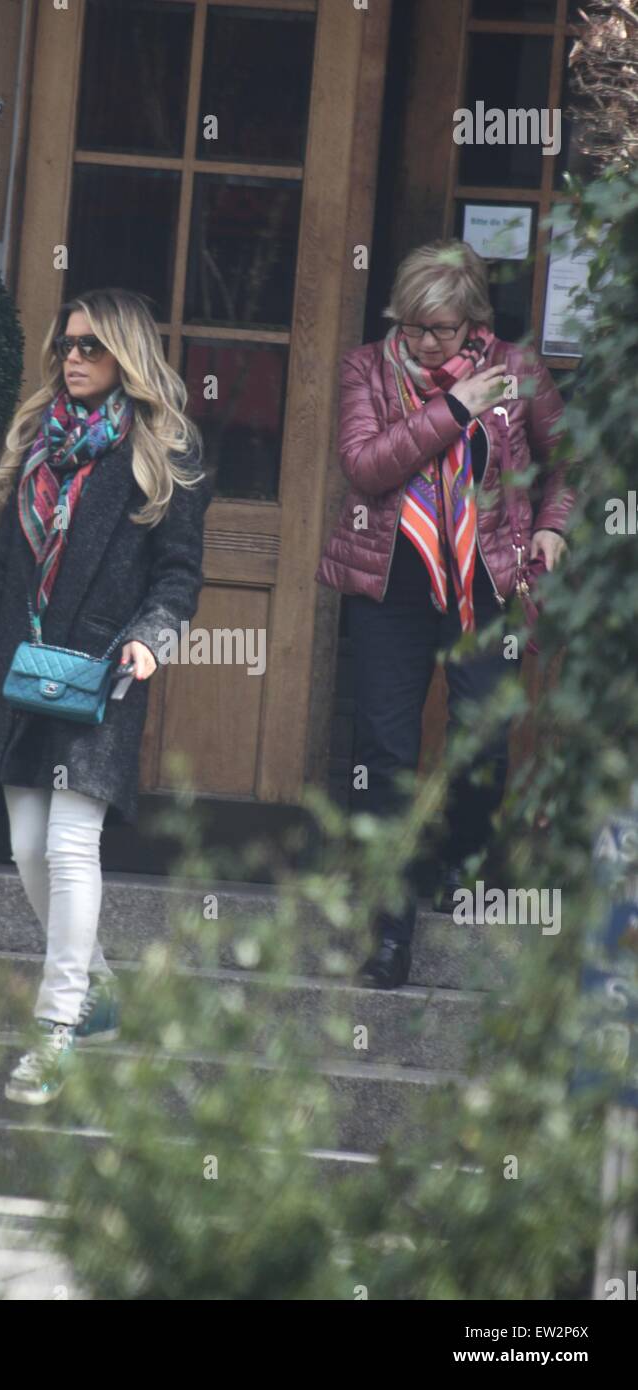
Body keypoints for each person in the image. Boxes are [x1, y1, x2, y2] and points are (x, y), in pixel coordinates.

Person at [0, 287, 212, 1101]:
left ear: (125, 352)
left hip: (101, 677)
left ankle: (54, 1027)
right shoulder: (37, 441)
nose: (73, 358)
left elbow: (179, 577)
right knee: (26, 848)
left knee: (68, 846)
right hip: (21, 672)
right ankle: (94, 989)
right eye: (66, 345)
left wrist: (151, 638)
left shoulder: (166, 447)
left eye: (91, 346)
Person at [315, 240, 574, 989]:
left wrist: (553, 525)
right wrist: (455, 406)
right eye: (415, 326)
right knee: (388, 759)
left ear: (474, 323)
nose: (427, 342)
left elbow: (572, 460)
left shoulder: (520, 374)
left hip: (486, 586)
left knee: (483, 750)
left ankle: (457, 871)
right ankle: (389, 933)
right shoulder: (368, 368)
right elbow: (367, 466)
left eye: (445, 329)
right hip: (390, 587)